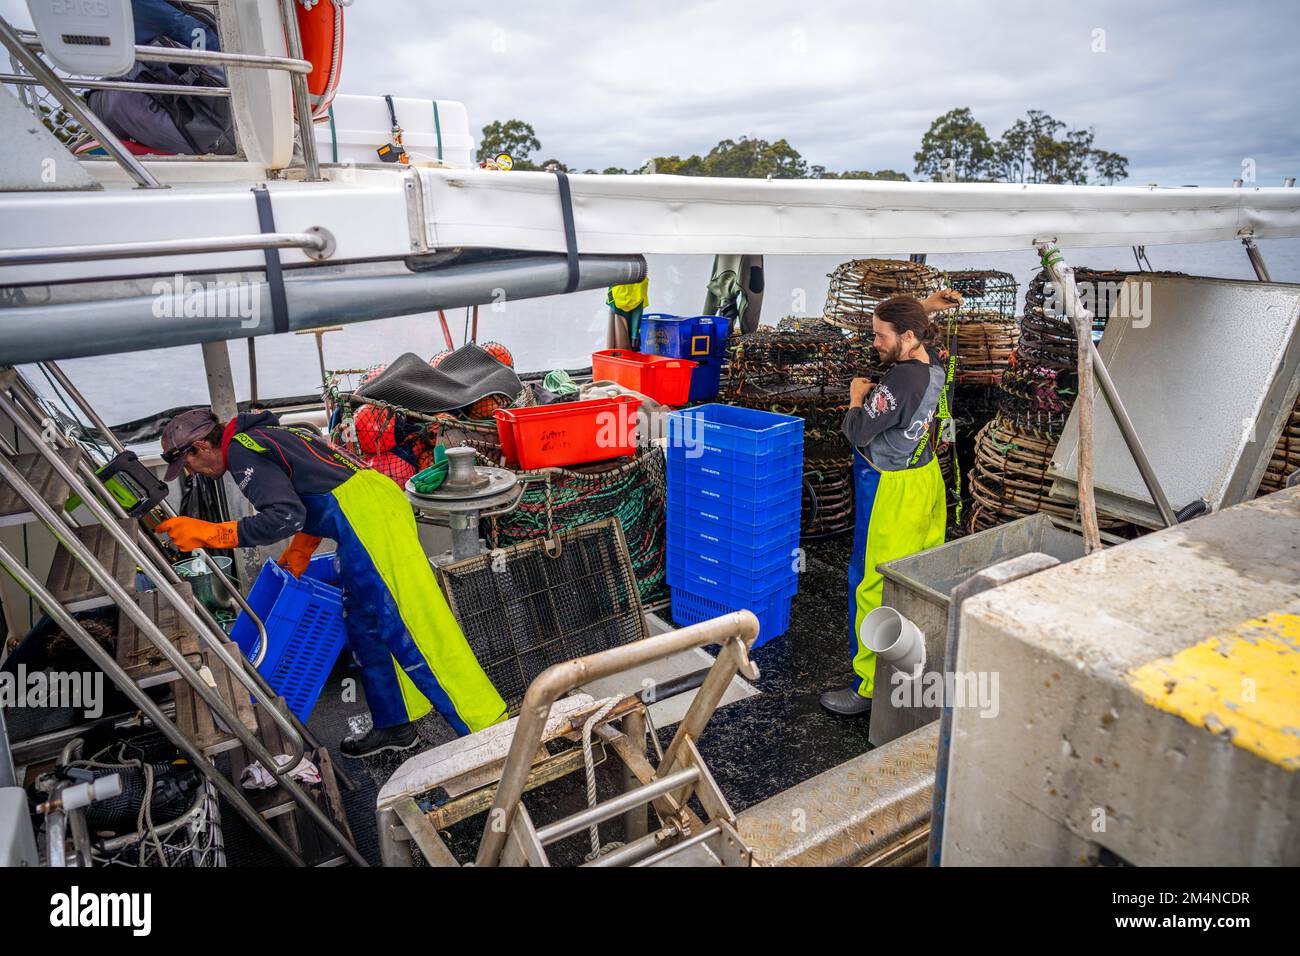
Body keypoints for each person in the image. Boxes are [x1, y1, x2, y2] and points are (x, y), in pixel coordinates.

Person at [154, 408, 507, 755]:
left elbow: (284, 517)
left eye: (187, 464)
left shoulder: (242, 451)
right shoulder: (264, 436)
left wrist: (209, 534)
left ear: (201, 446)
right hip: (368, 509)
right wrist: (301, 551)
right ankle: (395, 724)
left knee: (413, 628)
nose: (191, 472)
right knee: (364, 627)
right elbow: (314, 488)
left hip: (368, 520)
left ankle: (488, 731)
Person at [820, 289, 962, 717]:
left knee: (871, 584)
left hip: (889, 491)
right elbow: (916, 332)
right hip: (924, 478)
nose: (875, 344)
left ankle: (868, 686)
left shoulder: (900, 381)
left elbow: (858, 431)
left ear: (909, 335)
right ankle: (916, 665)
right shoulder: (931, 363)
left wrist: (856, 396)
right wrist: (927, 307)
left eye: (881, 336)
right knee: (916, 575)